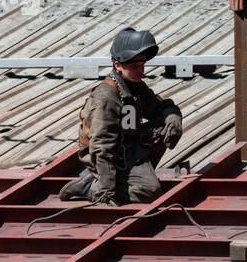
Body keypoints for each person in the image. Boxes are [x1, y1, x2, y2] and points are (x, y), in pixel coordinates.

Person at [60, 27, 183, 205]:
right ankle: (91, 187)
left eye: (142, 65)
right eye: (134, 66)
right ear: (117, 65)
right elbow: (102, 147)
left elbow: (162, 107)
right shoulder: (106, 99)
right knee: (150, 192)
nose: (141, 71)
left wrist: (173, 118)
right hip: (108, 155)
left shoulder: (134, 86)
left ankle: (129, 179)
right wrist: (105, 193)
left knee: (165, 126)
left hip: (128, 148)